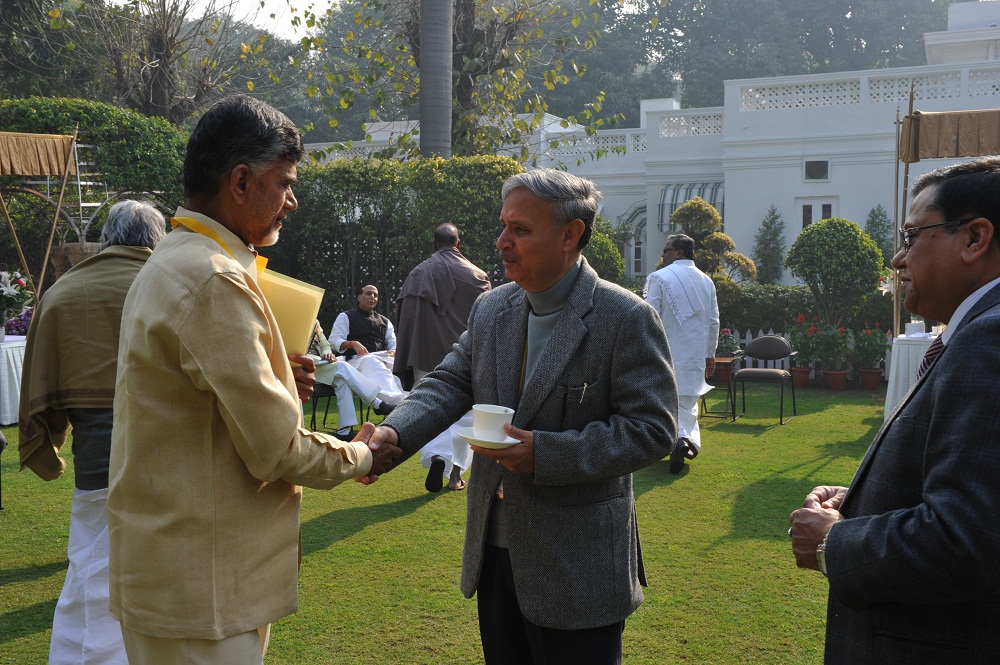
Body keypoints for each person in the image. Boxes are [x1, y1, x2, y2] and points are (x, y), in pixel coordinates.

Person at [106, 95, 400, 664]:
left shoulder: (173, 258)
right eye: (284, 182)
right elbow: (276, 450)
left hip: (176, 571)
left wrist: (276, 379)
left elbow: (190, 401)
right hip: (204, 589)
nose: (291, 201)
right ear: (240, 182)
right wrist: (360, 456)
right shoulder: (215, 279)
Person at [361, 168, 677, 664]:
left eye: (521, 230)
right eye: (504, 226)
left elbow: (654, 429)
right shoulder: (492, 309)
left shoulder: (626, 318)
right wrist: (392, 432)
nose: (502, 241)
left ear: (571, 234)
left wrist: (545, 454)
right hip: (494, 556)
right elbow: (448, 382)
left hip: (580, 569)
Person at [789, 156, 1000, 662]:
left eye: (911, 236)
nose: (897, 259)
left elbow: (966, 539)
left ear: (975, 239)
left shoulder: (988, 342)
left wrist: (833, 542)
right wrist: (864, 500)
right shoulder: (970, 333)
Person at [17, 199, 166, 665]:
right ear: (155, 238)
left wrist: (50, 442)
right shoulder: (174, 283)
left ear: (108, 236)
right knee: (157, 578)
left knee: (91, 571)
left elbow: (40, 384)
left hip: (97, 461)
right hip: (172, 458)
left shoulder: (65, 290)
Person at [394, 222, 492, 492]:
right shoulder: (477, 275)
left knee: (429, 410)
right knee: (464, 416)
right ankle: (455, 475)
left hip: (424, 355)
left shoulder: (417, 273)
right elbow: (487, 321)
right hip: (464, 359)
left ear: (434, 245)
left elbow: (404, 320)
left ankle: (437, 456)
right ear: (458, 244)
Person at [644, 233, 719, 474]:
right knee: (687, 400)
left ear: (678, 252)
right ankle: (683, 441)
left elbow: (650, 316)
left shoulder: (659, 278)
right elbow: (713, 322)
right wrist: (710, 354)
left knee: (663, 401)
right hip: (694, 355)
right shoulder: (707, 281)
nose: (662, 255)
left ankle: (675, 441)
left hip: (664, 351)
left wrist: (643, 347)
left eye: (666, 250)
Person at [308, 319, 402, 440]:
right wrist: (320, 359)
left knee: (342, 381)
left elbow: (325, 344)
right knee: (343, 367)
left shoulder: (315, 322)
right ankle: (376, 403)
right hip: (304, 366)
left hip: (322, 365)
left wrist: (327, 354)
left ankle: (344, 432)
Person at [329, 284, 405, 410]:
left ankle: (408, 401)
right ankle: (395, 402)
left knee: (401, 368)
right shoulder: (346, 316)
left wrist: (395, 351)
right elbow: (334, 340)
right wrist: (352, 343)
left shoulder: (385, 321)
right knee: (374, 363)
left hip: (383, 358)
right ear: (359, 297)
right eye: (368, 293)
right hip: (357, 360)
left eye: (375, 295)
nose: (372, 297)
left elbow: (393, 344)